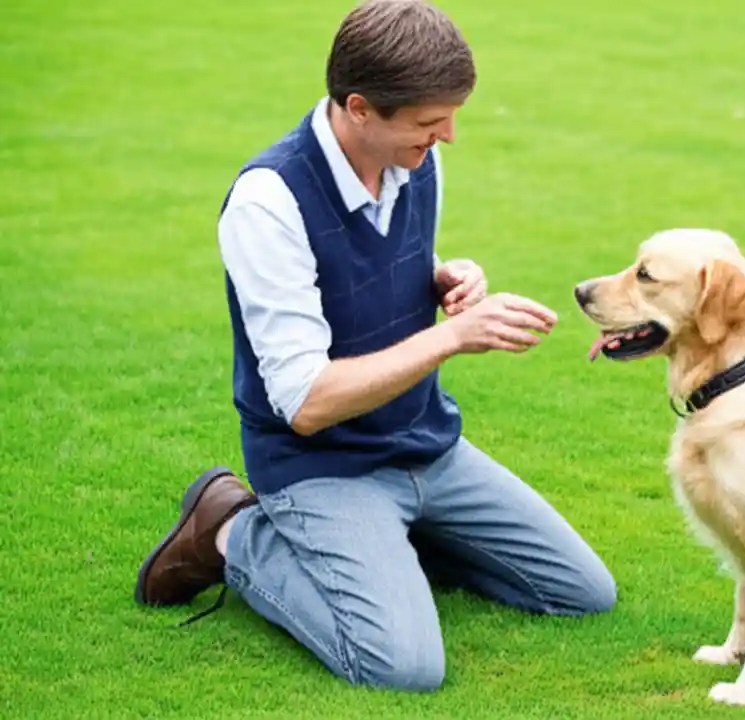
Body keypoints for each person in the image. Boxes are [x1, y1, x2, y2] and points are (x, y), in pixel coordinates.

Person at [134, 0, 616, 692]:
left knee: (583, 592)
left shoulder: (415, 161)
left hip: (425, 444)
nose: (448, 135)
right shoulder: (268, 203)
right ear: (359, 109)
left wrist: (442, 277)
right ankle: (234, 532)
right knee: (403, 667)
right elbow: (304, 403)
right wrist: (451, 338)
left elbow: (383, 254)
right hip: (319, 466)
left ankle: (389, 547)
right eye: (428, 121)